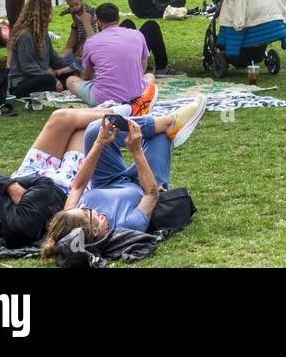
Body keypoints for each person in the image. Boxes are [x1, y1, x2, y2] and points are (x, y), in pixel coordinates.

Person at [41, 98, 207, 257]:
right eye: (86, 213)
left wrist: (99, 143)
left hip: (106, 180)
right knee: (160, 135)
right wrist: (136, 151)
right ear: (95, 232)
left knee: (93, 130)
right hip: (144, 183)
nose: (84, 207)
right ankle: (168, 123)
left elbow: (78, 186)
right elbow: (151, 194)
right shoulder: (127, 226)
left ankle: (165, 122)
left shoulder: (71, 216)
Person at [0, 109, 111, 250]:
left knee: (61, 117)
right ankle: (126, 112)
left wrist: (11, 186)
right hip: (65, 186)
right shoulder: (19, 227)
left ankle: (119, 109)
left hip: (27, 175)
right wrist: (10, 187)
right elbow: (45, 184)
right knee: (87, 130)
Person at [64, 3, 156, 110]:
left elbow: (87, 76)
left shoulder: (91, 42)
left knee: (70, 80)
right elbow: (142, 69)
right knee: (150, 76)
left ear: (99, 22)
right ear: (118, 18)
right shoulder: (138, 35)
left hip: (103, 98)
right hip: (137, 96)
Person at [8, 0, 80, 97]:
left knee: (71, 72)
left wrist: (70, 69)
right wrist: (51, 76)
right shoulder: (25, 35)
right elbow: (28, 66)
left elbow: (53, 58)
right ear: (44, 12)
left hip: (42, 75)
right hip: (22, 83)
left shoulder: (42, 33)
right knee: (49, 80)